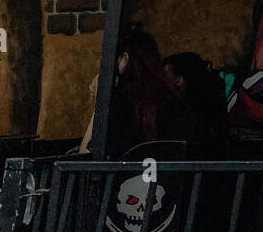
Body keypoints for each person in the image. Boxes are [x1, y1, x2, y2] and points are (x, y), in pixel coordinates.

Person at [79, 24, 195, 157]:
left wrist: (101, 101)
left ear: (124, 59)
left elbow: (88, 156)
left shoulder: (123, 102)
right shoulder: (171, 98)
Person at [163, 52, 229, 146]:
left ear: (179, 80)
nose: (163, 81)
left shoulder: (191, 114)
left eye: (166, 76)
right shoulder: (210, 102)